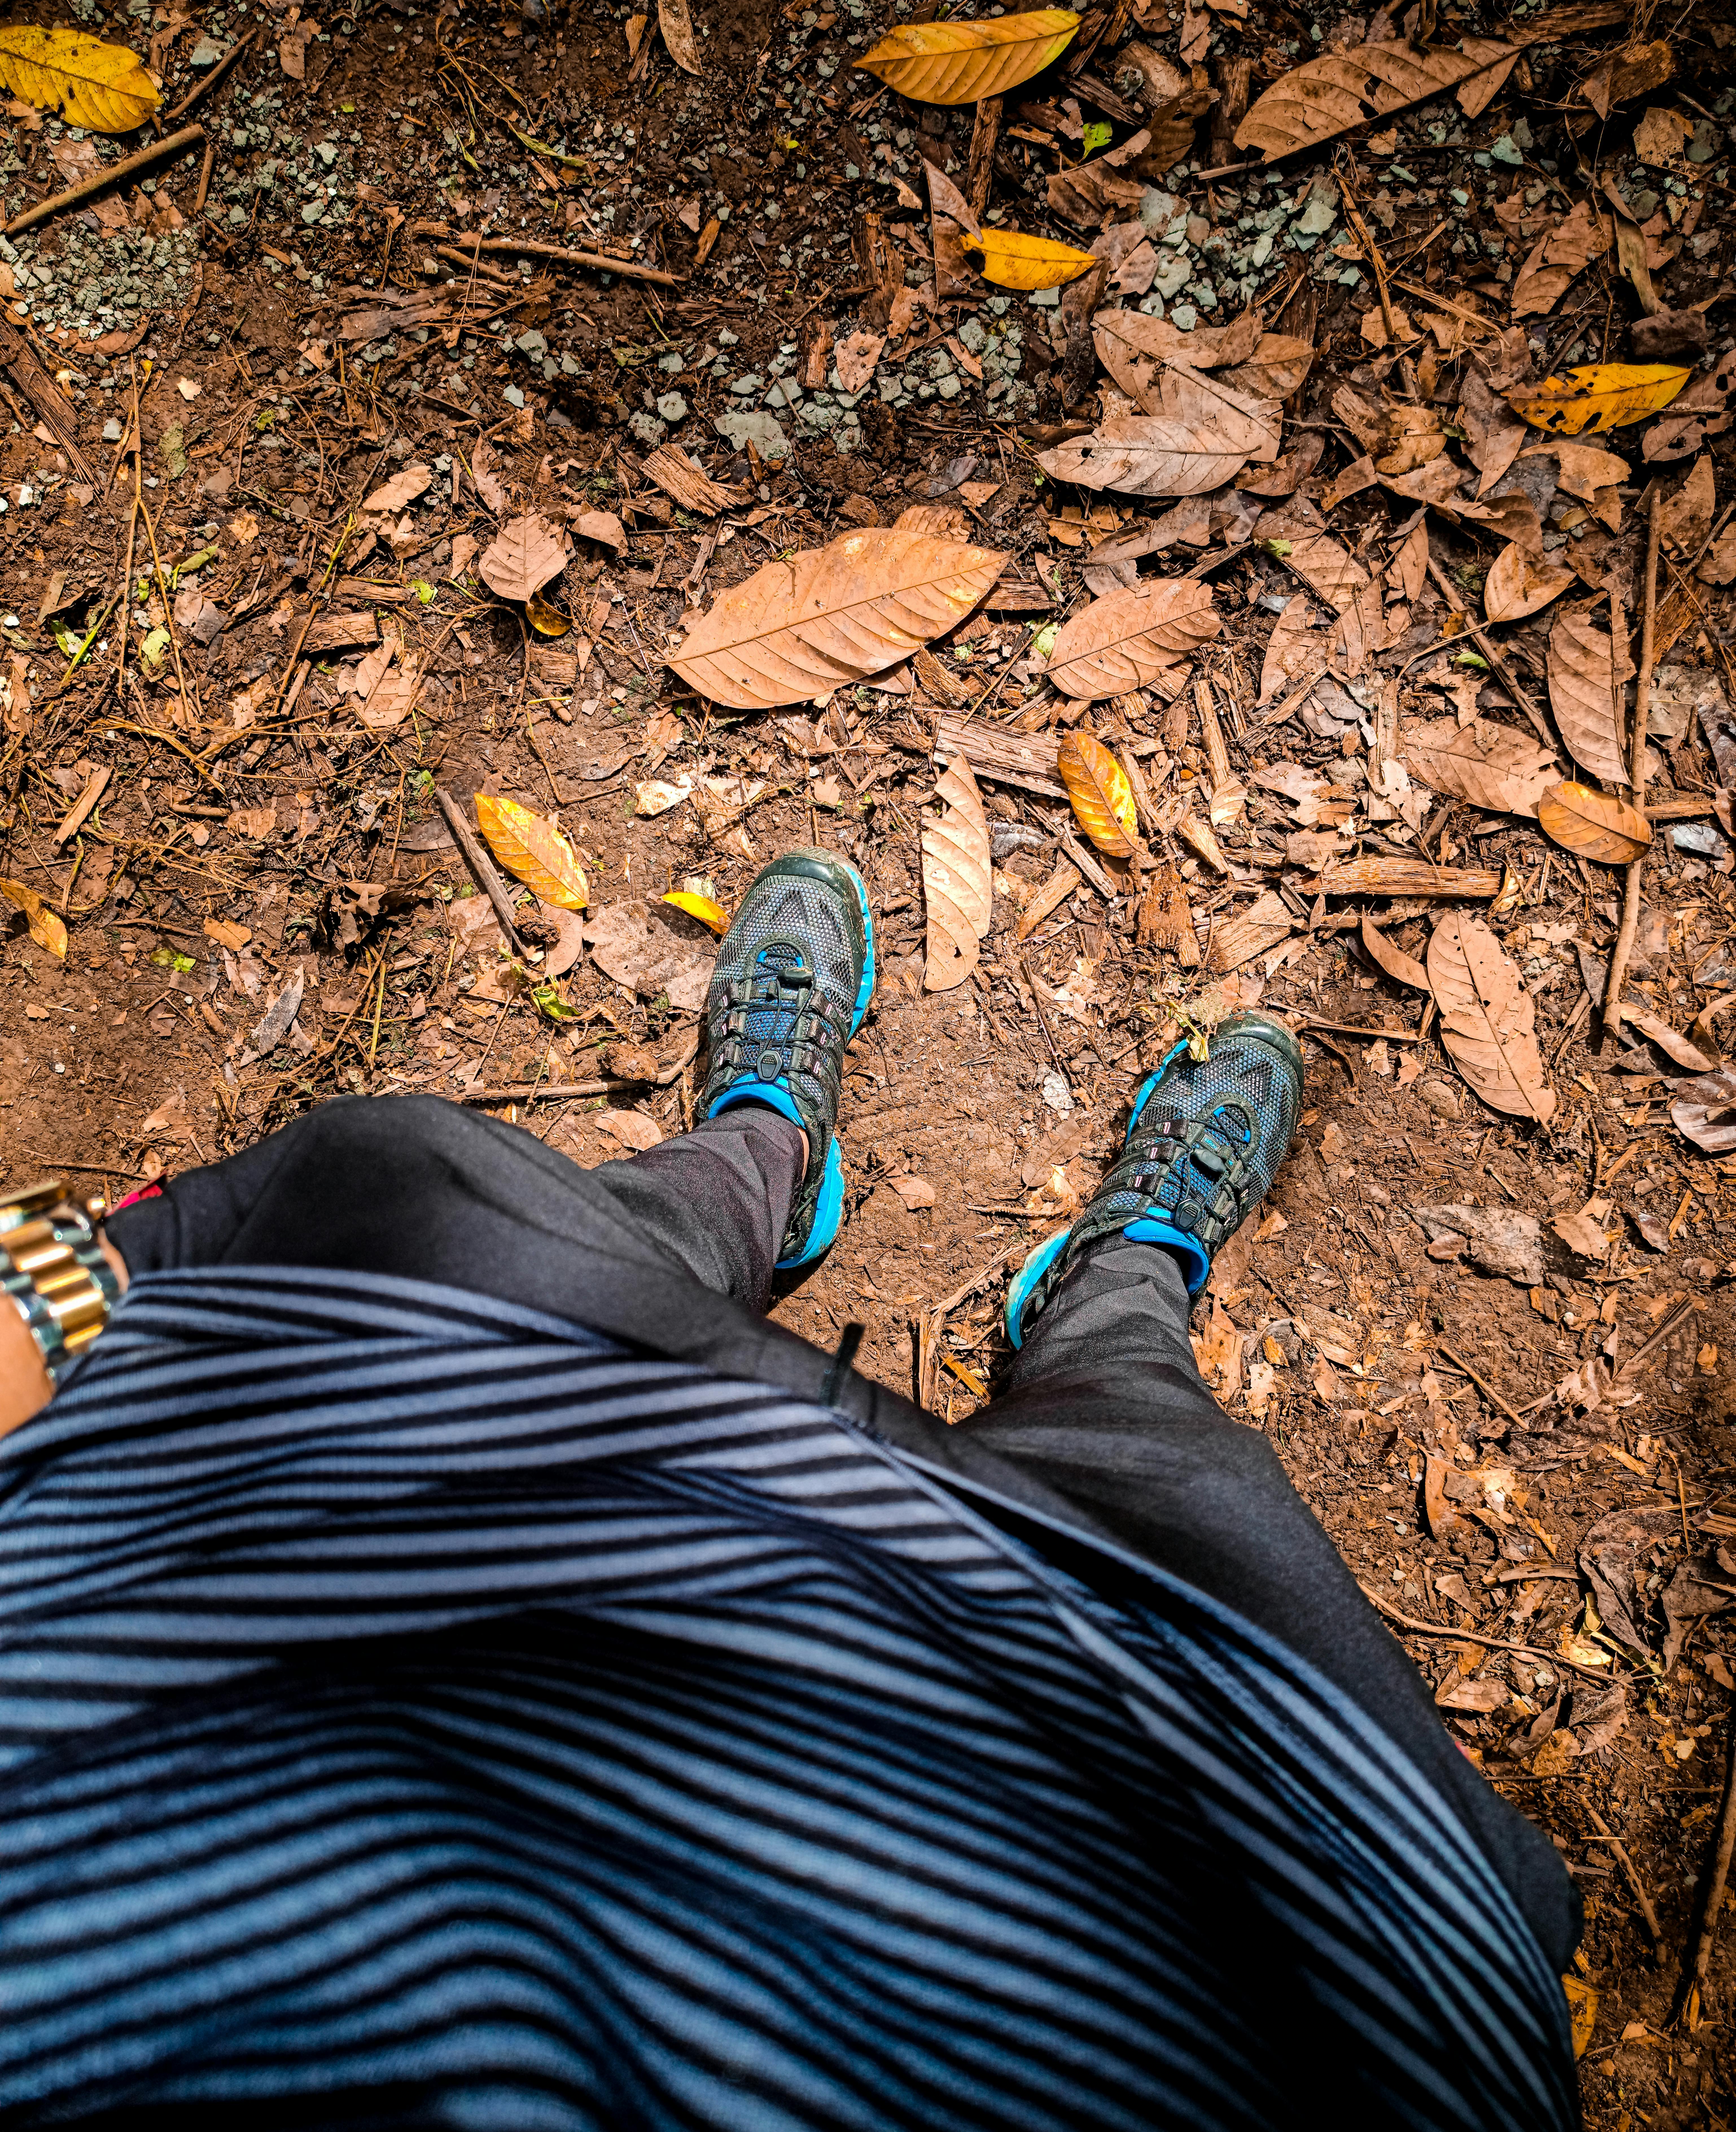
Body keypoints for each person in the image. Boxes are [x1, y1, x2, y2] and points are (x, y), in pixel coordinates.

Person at [0, 849, 1580, 2129]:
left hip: (233, 1704)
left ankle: (759, 1152)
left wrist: (77, 1287)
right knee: (1184, 1501)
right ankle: (1121, 1289)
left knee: (480, 1225)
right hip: (1201, 1996)